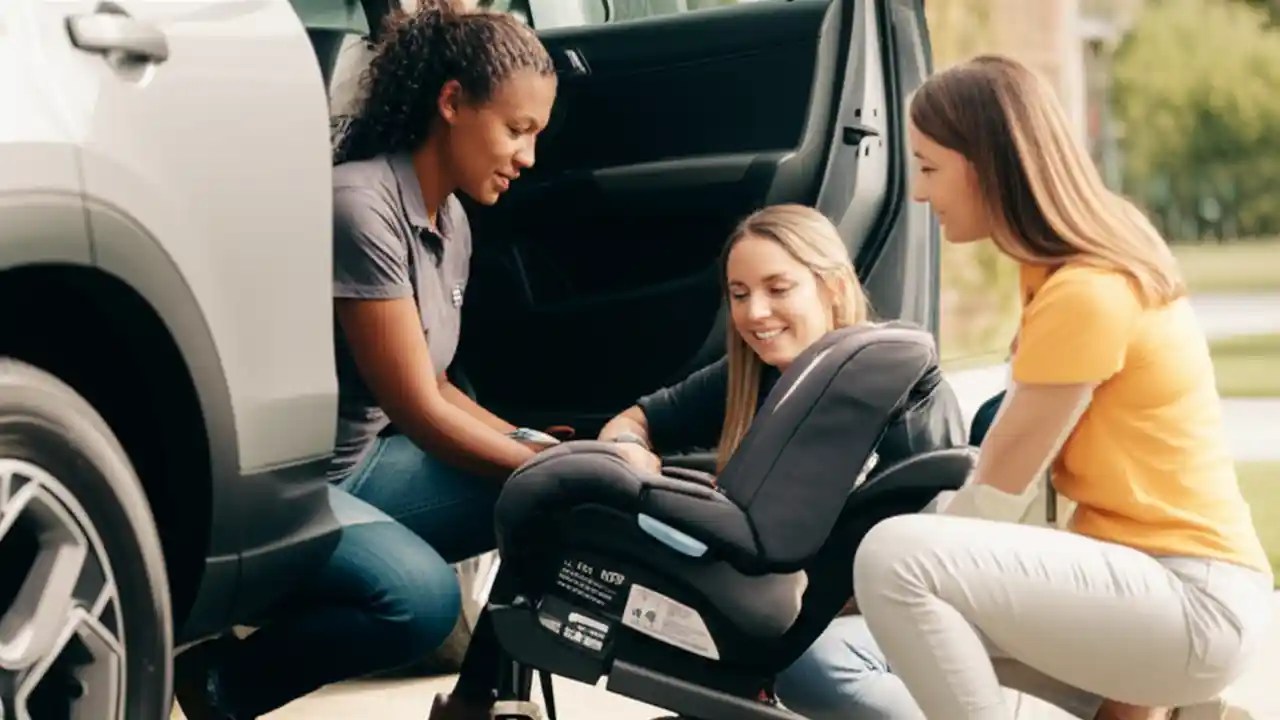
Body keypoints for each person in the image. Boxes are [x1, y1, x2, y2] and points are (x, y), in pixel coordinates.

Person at [852, 54, 1274, 720]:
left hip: (1192, 599)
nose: (919, 193)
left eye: (930, 167)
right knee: (909, 601)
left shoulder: (1086, 292)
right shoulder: (1075, 270)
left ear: (987, 165)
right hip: (1162, 587)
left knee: (892, 561)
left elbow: (997, 494)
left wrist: (863, 583)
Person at [431, 203, 968, 720]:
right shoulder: (751, 372)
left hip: (867, 615)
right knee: (558, 525)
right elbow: (636, 418)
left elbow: (918, 565)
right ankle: (480, 700)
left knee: (814, 669)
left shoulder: (900, 396)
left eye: (779, 289)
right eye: (740, 294)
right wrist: (631, 456)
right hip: (763, 591)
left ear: (832, 286)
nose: (756, 313)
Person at [175, 2, 560, 718]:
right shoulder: (360, 207)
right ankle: (221, 685)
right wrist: (534, 463)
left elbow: (438, 381)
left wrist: (532, 450)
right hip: (282, 482)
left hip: (359, 466)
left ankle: (481, 702)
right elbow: (415, 408)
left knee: (551, 501)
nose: (528, 157)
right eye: (517, 129)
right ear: (452, 103)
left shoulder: (452, 220)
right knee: (421, 600)